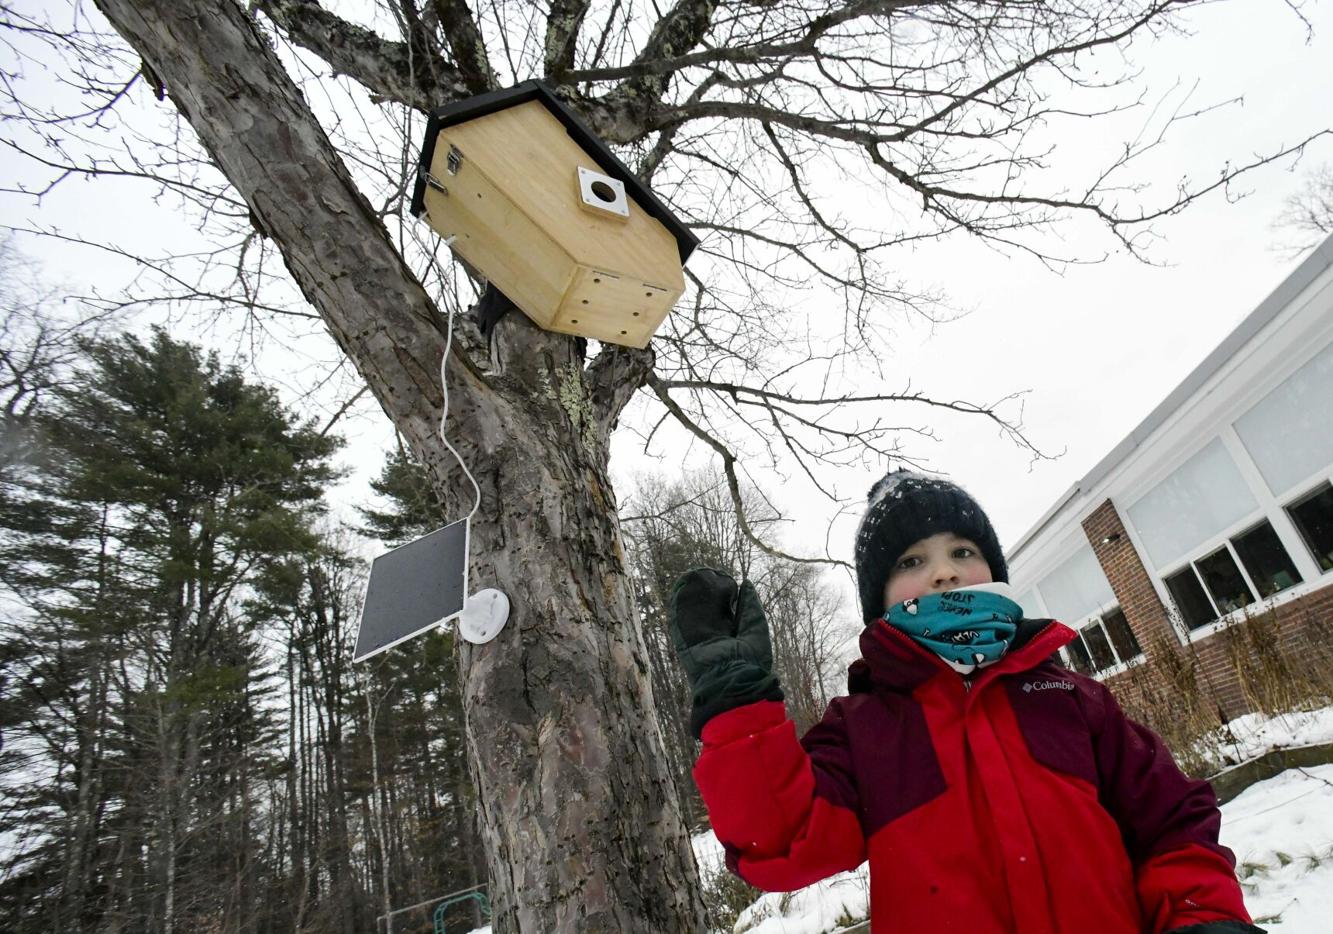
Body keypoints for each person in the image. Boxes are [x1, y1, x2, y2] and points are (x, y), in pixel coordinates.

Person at [669, 469, 1259, 934]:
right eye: (912, 561)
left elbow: (1172, 824)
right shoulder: (864, 728)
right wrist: (737, 705)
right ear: (880, 599)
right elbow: (785, 844)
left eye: (961, 551)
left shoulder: (1074, 700)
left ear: (993, 569)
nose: (945, 574)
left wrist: (1202, 915)